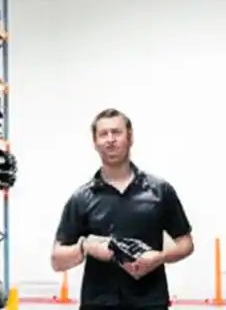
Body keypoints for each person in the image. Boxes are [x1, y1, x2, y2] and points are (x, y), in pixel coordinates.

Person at [50, 108, 195, 310]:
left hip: (150, 303)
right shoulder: (81, 198)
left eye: (116, 132)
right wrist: (85, 247)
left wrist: (159, 257)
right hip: (98, 304)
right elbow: (57, 260)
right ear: (95, 142)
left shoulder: (160, 191)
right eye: (103, 134)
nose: (110, 139)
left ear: (130, 137)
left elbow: (186, 243)